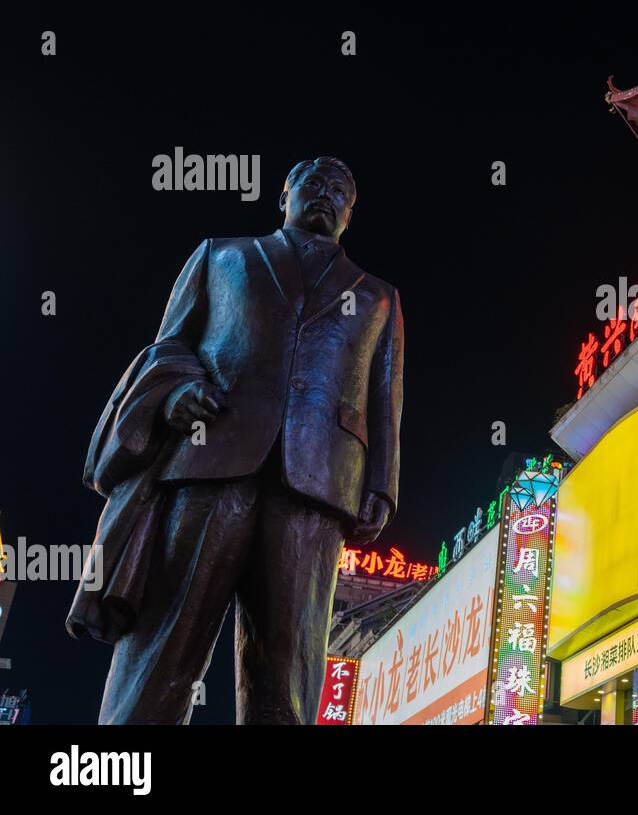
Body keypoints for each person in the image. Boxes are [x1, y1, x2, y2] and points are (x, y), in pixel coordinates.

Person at [69, 156, 403, 724]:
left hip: (318, 483)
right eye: (312, 185)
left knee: (289, 672)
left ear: (351, 212)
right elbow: (171, 345)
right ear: (284, 195)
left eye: (339, 191)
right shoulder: (222, 256)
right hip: (209, 461)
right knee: (163, 647)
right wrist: (176, 395)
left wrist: (383, 486)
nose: (325, 195)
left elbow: (385, 399)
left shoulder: (378, 297)